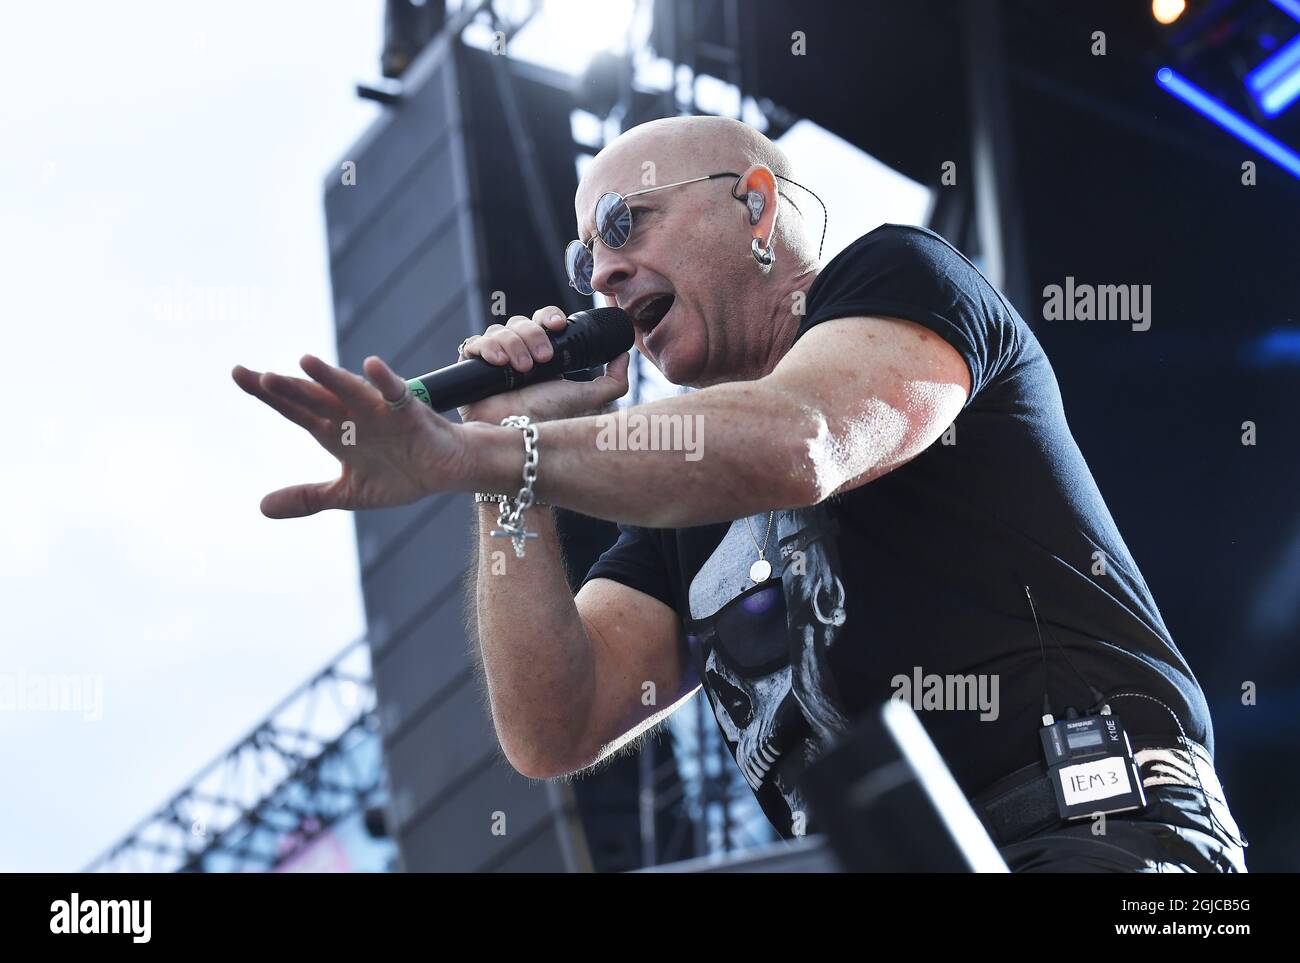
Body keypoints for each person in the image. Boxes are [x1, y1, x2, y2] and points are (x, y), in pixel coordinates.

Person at [232, 115, 1247, 872]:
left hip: (1090, 824)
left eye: (628, 224)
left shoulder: (902, 276)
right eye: (587, 258)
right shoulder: (690, 494)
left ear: (755, 205)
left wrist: (478, 460)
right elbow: (555, 723)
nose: (604, 276)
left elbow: (805, 441)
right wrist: (510, 460)